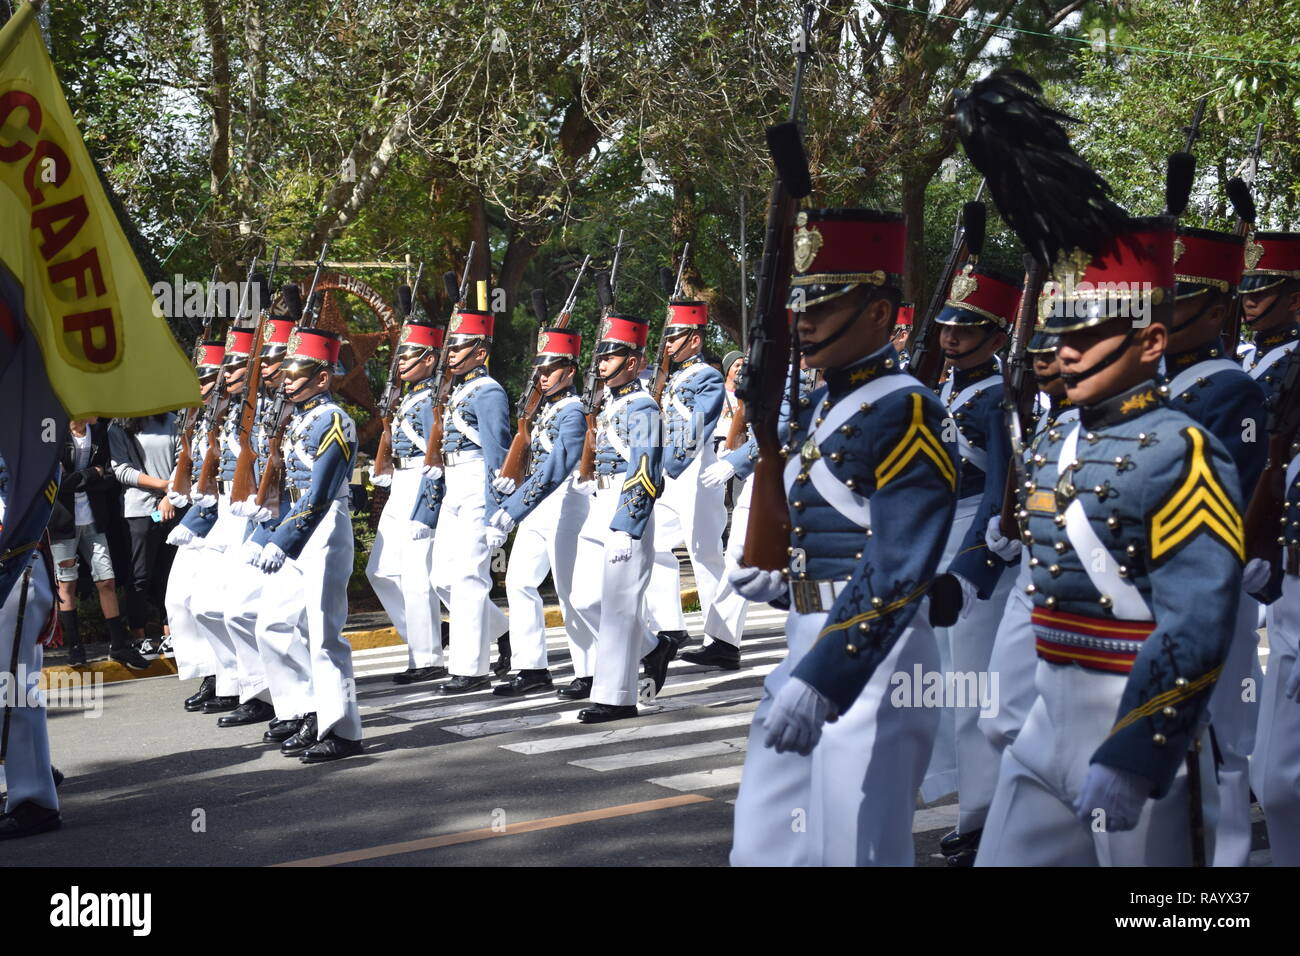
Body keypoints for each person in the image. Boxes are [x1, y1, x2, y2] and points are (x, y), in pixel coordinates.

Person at [729, 207, 958, 866]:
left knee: (855, 852)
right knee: (766, 848)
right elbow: (828, 528)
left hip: (873, 660)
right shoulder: (826, 403)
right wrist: (779, 579)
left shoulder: (909, 409)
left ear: (881, 315)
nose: (803, 320)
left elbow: (896, 565)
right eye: (798, 303)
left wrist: (828, 676)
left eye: (823, 305)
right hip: (808, 642)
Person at [1161, 225, 1268, 867]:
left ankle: (1223, 875)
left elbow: (1237, 495)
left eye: (1180, 302)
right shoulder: (1153, 383)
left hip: (1209, 583)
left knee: (1221, 736)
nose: (1164, 316)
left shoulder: (1233, 390)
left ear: (1217, 310)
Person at [927, 263, 1023, 865]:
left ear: (997, 336)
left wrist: (981, 555)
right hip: (939, 532)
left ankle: (983, 816)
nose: (952, 338)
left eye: (969, 329)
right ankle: (970, 802)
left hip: (975, 537)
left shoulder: (998, 396)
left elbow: (1004, 484)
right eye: (948, 328)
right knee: (943, 680)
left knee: (974, 686)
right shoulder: (945, 388)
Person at [251, 327, 363, 762]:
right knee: (273, 626)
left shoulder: (334, 420)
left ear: (322, 378)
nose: (288, 380)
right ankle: (303, 711)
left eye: (299, 374)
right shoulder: (294, 419)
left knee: (324, 633)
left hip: (323, 527)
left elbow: (320, 491)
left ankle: (343, 729)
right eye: (288, 373)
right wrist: (266, 532)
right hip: (293, 526)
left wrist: (284, 539)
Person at [566, 313, 672, 721]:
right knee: (584, 599)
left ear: (633, 362)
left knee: (618, 606)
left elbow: (645, 468)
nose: (602, 364)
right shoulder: (612, 405)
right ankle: (652, 647)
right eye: (601, 358)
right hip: (599, 504)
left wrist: (629, 525)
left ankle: (616, 698)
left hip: (625, 510)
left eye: (611, 357)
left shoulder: (644, 406)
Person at [486, 327, 595, 697]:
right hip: (537, 504)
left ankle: (590, 670)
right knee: (518, 582)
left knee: (570, 591)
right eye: (540, 370)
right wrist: (509, 483)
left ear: (571, 371)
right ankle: (531, 667)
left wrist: (512, 509)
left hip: (566, 504)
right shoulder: (544, 410)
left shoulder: (574, 412)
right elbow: (533, 463)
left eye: (551, 369)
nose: (543, 376)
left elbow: (556, 467)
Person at [418, 307, 511, 694]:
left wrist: (496, 510)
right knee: (441, 578)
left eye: (460, 347)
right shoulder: (454, 392)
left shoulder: (488, 390)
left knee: (471, 577)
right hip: (454, 483)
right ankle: (506, 632)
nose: (451, 354)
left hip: (475, 480)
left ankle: (471, 669)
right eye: (449, 348)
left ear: (481, 351)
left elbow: (498, 452)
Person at [644, 300, 732, 660]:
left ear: (694, 340)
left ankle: (722, 640)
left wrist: (673, 466)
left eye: (674, 338)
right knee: (656, 547)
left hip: (695, 469)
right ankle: (671, 626)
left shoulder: (707, 377)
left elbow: (698, 427)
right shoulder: (668, 377)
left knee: (705, 553)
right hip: (668, 468)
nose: (667, 346)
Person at [366, 308, 447, 685]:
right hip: (401, 479)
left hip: (422, 481)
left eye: (408, 356)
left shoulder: (435, 399)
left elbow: (439, 455)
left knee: (417, 575)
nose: (400, 363)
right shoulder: (406, 395)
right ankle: (441, 633)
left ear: (429, 359)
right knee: (379, 570)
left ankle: (426, 656)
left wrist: (430, 500)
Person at [49, 418, 146, 670]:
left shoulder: (100, 431)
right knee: (66, 583)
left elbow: (110, 476)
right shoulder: (56, 434)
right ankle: (74, 646)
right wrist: (92, 473)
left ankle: (118, 644)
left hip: (94, 518)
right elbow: (58, 483)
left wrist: (86, 478)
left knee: (107, 580)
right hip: (64, 522)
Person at [0, 456, 62, 840]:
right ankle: (32, 779)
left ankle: (34, 801)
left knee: (14, 690)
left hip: (13, 560)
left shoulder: (20, 417)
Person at [164, 340, 225, 711]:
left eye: (203, 381)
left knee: (211, 603)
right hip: (198, 520)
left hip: (223, 519)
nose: (197, 389)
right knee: (179, 600)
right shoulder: (197, 420)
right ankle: (212, 673)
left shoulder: (232, 418)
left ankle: (229, 680)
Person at [108, 412, 181, 653]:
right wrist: (163, 486)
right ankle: (138, 635)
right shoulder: (118, 425)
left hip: (173, 506)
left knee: (169, 572)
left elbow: (185, 459)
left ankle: (170, 631)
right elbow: (122, 470)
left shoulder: (173, 421)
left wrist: (171, 496)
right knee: (140, 575)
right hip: (139, 510)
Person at [1237, 231, 1299, 401]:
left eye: (1259, 295)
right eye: (1246, 294)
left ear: (1294, 301)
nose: (1249, 303)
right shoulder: (1242, 358)